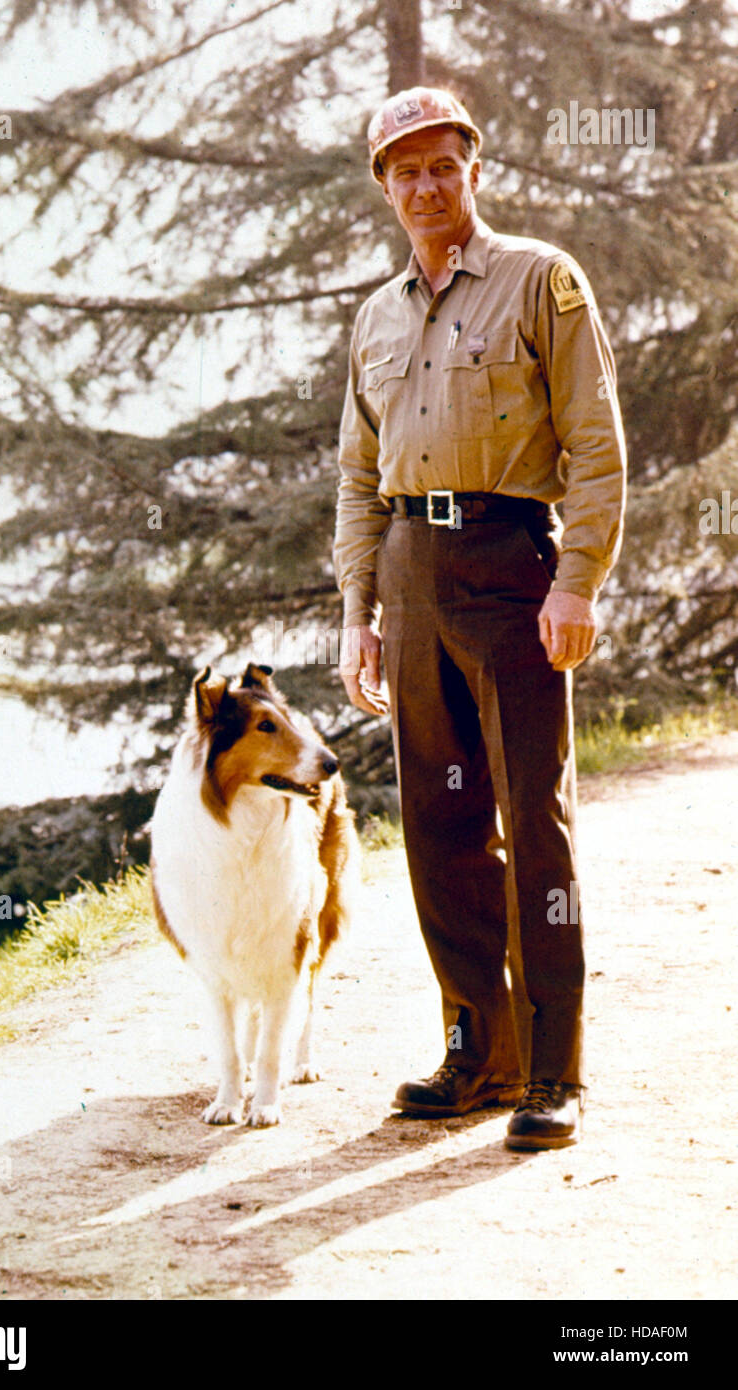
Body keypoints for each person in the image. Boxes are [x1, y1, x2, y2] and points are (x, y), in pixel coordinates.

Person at [333, 87, 626, 1150]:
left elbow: (595, 445)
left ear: (472, 169)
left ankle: (555, 1073)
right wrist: (359, 611)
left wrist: (576, 580)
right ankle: (478, 1052)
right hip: (410, 574)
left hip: (509, 567)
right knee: (438, 828)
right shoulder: (373, 316)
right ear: (383, 188)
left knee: (532, 822)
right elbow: (357, 478)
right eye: (401, 172)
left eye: (439, 166)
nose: (423, 187)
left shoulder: (540, 281)